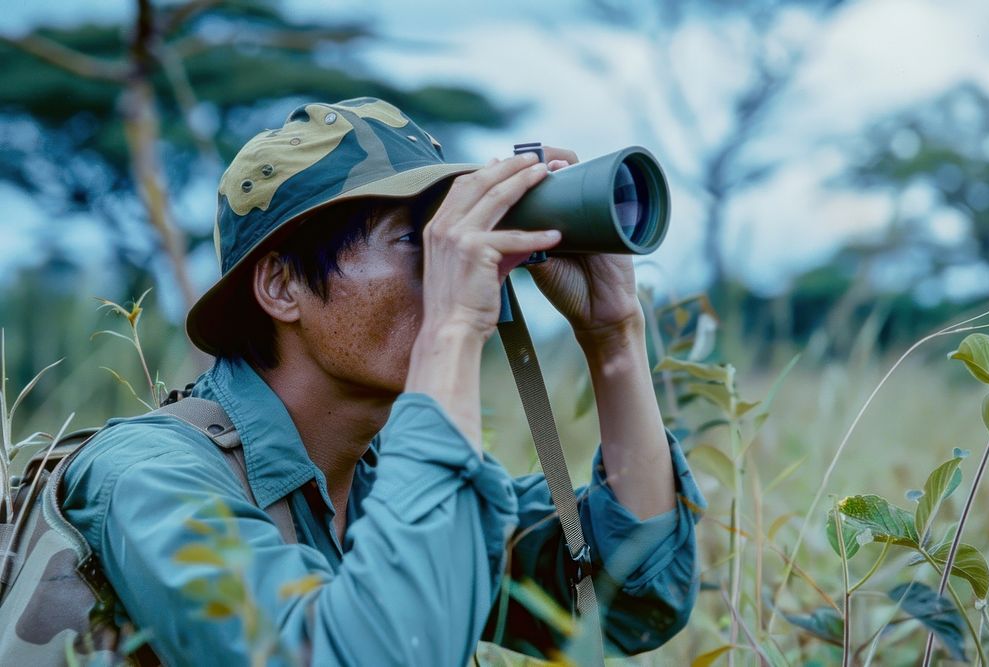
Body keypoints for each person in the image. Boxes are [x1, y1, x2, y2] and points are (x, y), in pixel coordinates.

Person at [62, 97, 706, 665]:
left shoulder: (375, 489)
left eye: (452, 240)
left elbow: (629, 602)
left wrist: (613, 336)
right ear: (283, 285)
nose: (454, 264)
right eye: (417, 240)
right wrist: (451, 329)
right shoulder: (151, 478)